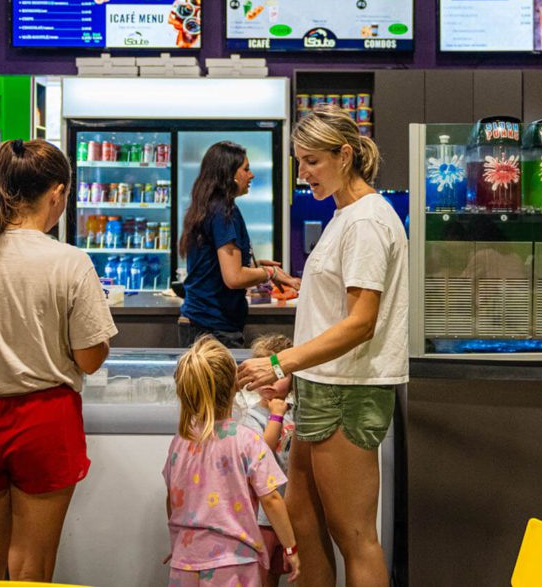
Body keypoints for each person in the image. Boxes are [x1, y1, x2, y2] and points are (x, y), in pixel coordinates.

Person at [237, 104, 408, 587]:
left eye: (312, 160)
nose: (304, 172)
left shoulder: (366, 222)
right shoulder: (345, 215)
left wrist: (279, 360)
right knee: (302, 520)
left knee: (354, 536)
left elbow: (360, 323)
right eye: (299, 161)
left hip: (347, 391)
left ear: (346, 155)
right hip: (320, 385)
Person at [0, 139, 117, 583]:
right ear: (56, 193)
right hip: (44, 417)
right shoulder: (68, 261)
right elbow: (90, 359)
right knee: (30, 562)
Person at [163, 336, 300, 585]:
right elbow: (271, 499)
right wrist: (290, 547)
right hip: (233, 562)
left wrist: (179, 540)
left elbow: (172, 499)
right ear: (235, 385)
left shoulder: (180, 442)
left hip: (185, 559)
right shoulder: (246, 440)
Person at [178, 141, 299, 349]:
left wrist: (254, 263)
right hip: (213, 329)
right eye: (246, 169)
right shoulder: (223, 213)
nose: (251, 175)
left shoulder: (209, 207)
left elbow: (217, 264)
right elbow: (234, 278)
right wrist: (270, 273)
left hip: (201, 325)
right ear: (229, 174)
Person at [241, 334, 295, 587]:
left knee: (275, 573)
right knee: (259, 575)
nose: (271, 382)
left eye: (280, 374)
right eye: (265, 374)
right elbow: (263, 450)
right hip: (261, 515)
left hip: (286, 511)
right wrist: (275, 416)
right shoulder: (252, 417)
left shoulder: (296, 413)